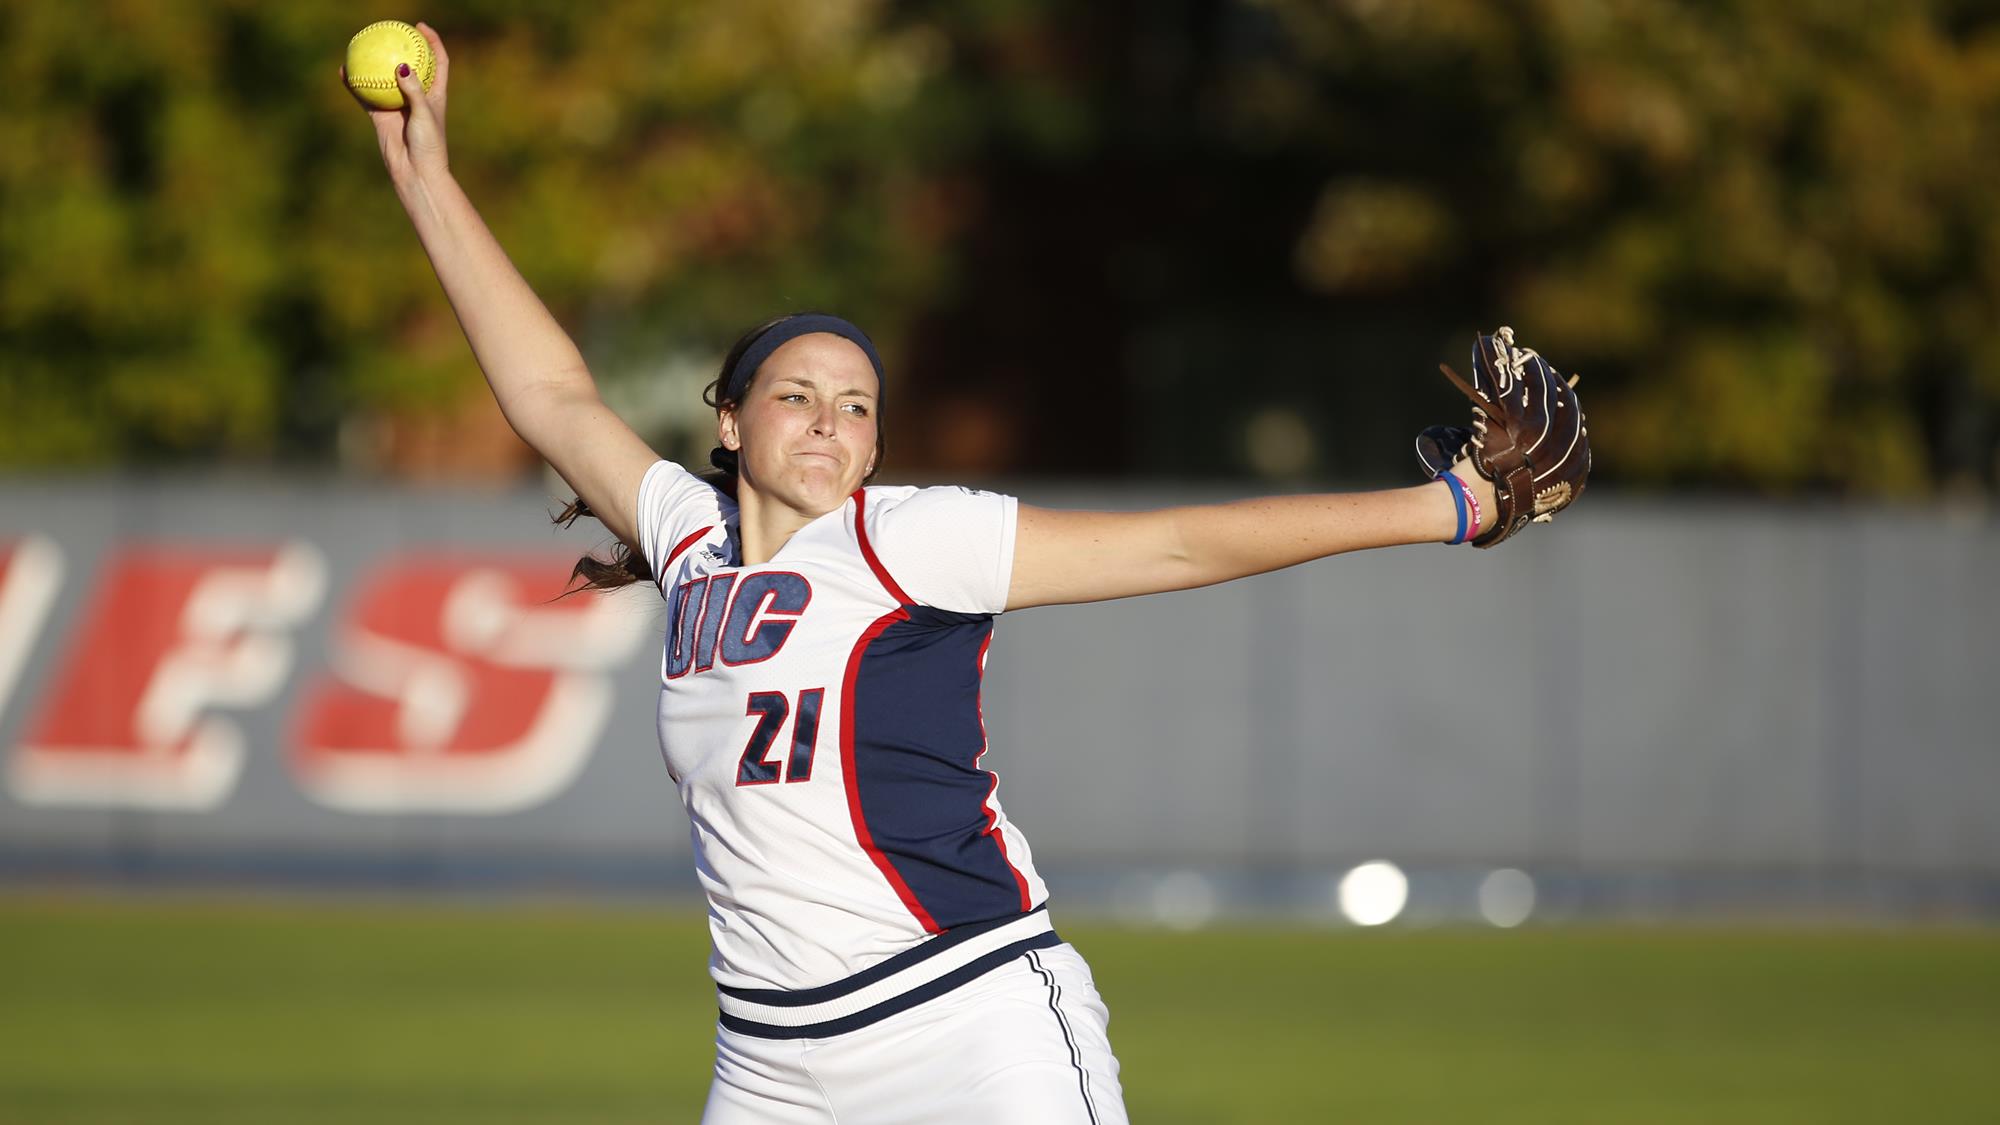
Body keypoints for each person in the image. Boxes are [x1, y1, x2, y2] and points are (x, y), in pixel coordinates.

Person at [354, 25, 1528, 1124]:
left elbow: (1182, 543)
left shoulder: (906, 536)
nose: (830, 425)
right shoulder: (684, 535)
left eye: (857, 406)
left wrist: (1452, 506)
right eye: (797, 398)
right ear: (726, 423)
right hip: (766, 1069)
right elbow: (550, 394)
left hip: (967, 1025)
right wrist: (427, 183)